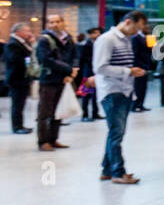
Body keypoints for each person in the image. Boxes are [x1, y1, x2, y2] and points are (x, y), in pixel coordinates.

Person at [93, 10, 148, 184]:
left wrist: (131, 72)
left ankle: (107, 170)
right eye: (136, 28)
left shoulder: (126, 40)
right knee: (117, 133)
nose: (136, 32)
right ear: (128, 22)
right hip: (112, 91)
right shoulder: (107, 39)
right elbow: (100, 68)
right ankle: (118, 172)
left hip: (124, 90)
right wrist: (128, 71)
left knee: (114, 132)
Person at [35, 14, 77, 150]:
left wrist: (73, 71)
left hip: (63, 80)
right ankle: (43, 141)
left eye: (57, 22)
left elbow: (75, 56)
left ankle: (53, 139)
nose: (54, 24)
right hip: (48, 79)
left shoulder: (68, 39)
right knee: (45, 112)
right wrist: (68, 69)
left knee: (59, 111)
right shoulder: (44, 40)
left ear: (63, 23)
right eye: (51, 22)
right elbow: (45, 60)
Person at [4, 22, 35, 134]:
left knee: (21, 104)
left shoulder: (22, 43)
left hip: (22, 78)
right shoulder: (13, 44)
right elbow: (15, 59)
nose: (29, 33)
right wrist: (28, 61)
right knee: (17, 104)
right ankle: (17, 127)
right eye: (27, 31)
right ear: (19, 32)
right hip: (16, 79)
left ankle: (20, 124)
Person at [77, 27, 101, 121]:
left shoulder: (99, 43)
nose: (97, 34)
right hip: (87, 72)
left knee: (95, 94)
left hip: (96, 73)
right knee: (86, 94)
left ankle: (95, 113)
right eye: (95, 33)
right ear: (90, 35)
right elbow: (83, 59)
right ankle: (85, 115)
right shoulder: (86, 45)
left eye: (98, 33)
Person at [130, 22, 153, 112]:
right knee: (138, 87)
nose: (148, 28)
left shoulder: (147, 38)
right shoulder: (136, 38)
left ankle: (141, 104)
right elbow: (135, 53)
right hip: (139, 66)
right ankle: (135, 105)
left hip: (146, 65)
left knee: (143, 87)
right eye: (146, 26)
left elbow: (148, 52)